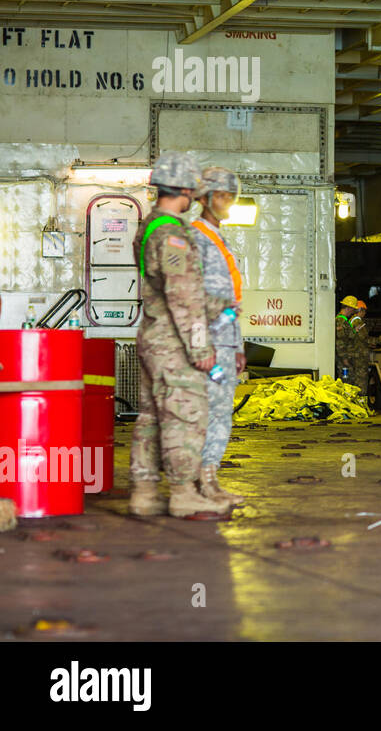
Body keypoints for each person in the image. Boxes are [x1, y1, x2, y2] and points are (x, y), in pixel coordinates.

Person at [129, 152, 224, 518]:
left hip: (152, 336)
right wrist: (200, 347)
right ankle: (183, 492)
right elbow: (182, 295)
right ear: (185, 189)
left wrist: (216, 303)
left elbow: (165, 287)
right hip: (173, 343)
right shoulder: (172, 235)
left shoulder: (148, 226)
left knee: (151, 418)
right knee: (185, 413)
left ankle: (145, 492)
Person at [191, 167, 246, 508]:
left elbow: (232, 301)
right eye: (223, 196)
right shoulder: (196, 237)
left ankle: (209, 477)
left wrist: (238, 346)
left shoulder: (219, 238)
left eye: (230, 196)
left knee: (221, 412)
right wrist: (203, 344)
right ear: (206, 198)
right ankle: (202, 481)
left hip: (226, 342)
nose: (228, 202)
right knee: (208, 412)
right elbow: (191, 298)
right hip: (209, 343)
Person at [335, 295, 366, 384]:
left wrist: (355, 331)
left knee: (350, 382)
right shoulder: (340, 321)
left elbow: (347, 337)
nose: (353, 313)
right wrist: (344, 359)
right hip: (344, 360)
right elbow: (340, 342)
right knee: (347, 383)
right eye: (352, 310)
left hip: (346, 358)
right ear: (348, 308)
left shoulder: (345, 321)